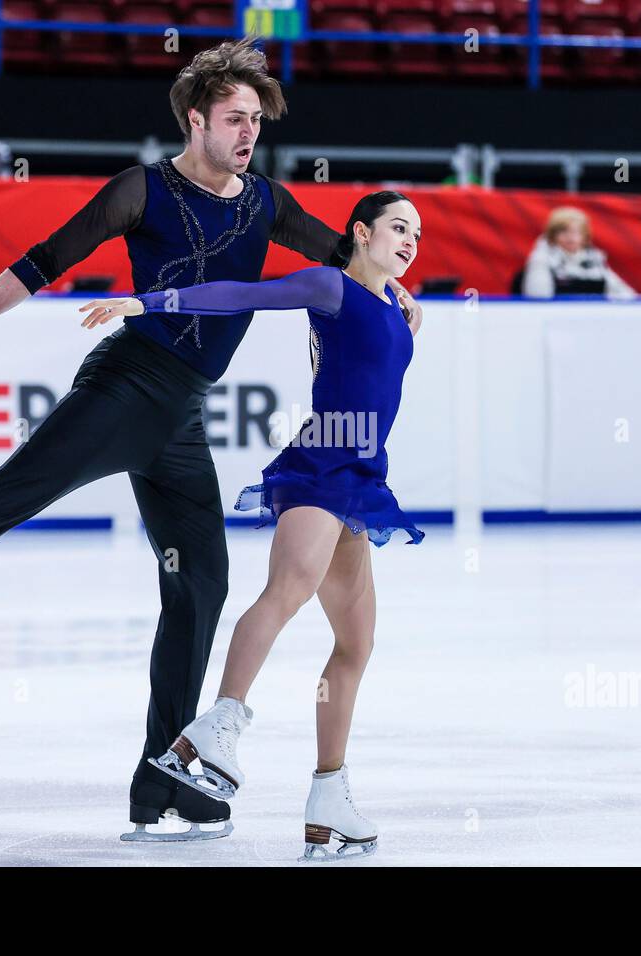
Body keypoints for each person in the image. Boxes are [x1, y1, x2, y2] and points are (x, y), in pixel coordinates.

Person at [0, 38, 424, 844]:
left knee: (201, 583)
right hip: (124, 391)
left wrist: (398, 291)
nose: (249, 133)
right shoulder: (140, 190)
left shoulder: (266, 202)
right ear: (197, 120)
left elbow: (348, 258)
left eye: (257, 120)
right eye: (234, 118)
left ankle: (165, 781)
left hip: (181, 417)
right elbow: (45, 260)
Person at [77, 192, 424, 861]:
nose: (410, 241)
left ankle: (329, 797)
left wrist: (407, 312)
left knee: (355, 644)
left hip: (362, 477)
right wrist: (146, 304)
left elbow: (379, 368)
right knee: (287, 592)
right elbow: (242, 295)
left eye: (417, 233)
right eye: (398, 227)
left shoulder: (399, 308)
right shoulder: (331, 286)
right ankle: (216, 727)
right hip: (322, 463)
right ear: (361, 232)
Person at [520, 206, 635, 300]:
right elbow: (538, 296)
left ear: (585, 236)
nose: (570, 237)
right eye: (564, 231)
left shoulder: (594, 260)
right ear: (552, 235)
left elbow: (626, 295)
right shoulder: (541, 259)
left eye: (576, 232)